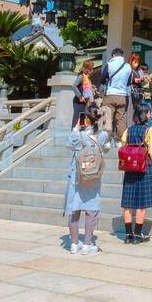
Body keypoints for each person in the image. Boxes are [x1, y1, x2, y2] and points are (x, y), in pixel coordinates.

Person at [66, 107, 110, 255]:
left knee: (74, 209)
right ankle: (87, 244)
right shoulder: (102, 135)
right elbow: (105, 148)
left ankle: (73, 244)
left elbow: (68, 145)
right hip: (92, 176)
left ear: (85, 119)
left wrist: (76, 128)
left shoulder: (78, 135)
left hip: (77, 176)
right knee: (91, 209)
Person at [119, 105, 152, 244]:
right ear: (145, 114)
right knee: (141, 204)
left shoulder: (129, 130)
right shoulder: (150, 130)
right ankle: (137, 235)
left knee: (127, 202)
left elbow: (123, 143)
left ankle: (128, 235)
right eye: (149, 113)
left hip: (130, 167)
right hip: (144, 167)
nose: (150, 115)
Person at [101, 47, 132, 140]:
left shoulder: (109, 64)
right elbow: (129, 83)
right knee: (121, 120)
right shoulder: (128, 66)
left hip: (110, 95)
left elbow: (102, 79)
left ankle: (106, 141)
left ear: (113, 55)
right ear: (122, 55)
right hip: (122, 96)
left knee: (107, 119)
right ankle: (121, 141)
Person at [73, 60, 98, 127]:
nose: (92, 70)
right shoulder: (81, 76)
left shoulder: (87, 77)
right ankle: (74, 132)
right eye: (91, 69)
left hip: (85, 102)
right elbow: (74, 86)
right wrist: (80, 96)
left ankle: (80, 132)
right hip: (79, 102)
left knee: (82, 120)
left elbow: (86, 89)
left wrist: (92, 88)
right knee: (78, 119)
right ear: (86, 68)